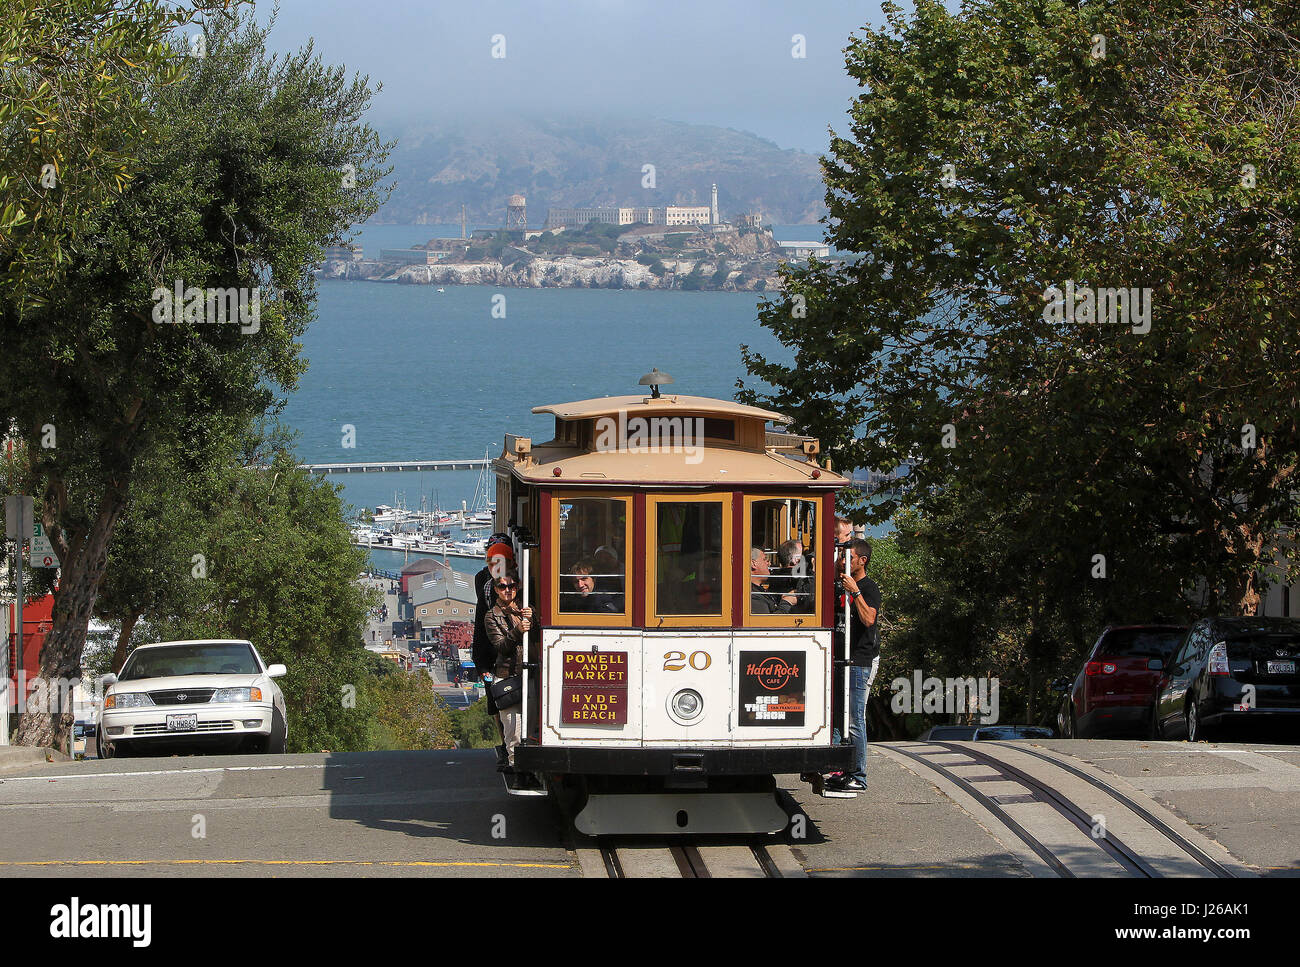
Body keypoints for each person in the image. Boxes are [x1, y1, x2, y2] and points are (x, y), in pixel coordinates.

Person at [827, 538, 881, 794]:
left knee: (854, 720)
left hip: (858, 661)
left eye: (847, 558)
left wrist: (855, 591)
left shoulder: (868, 588)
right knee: (837, 718)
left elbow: (869, 619)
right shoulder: (837, 586)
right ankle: (841, 770)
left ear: (862, 561)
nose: (841, 562)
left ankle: (858, 775)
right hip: (837, 658)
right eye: (839, 557)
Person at [484, 566, 533, 772]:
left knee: (531, 726)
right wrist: (518, 630)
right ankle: (516, 767)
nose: (507, 590)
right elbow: (501, 647)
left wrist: (534, 618)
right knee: (513, 728)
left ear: (518, 587)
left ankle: (530, 767)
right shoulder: (491, 617)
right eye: (502, 586)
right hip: (508, 677)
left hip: (531, 674)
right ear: (495, 589)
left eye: (511, 586)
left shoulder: (527, 609)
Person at [472, 533, 514, 767]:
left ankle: (511, 748)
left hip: (507, 651)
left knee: (509, 700)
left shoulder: (514, 580)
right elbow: (482, 619)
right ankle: (506, 747)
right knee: (495, 702)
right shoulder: (484, 580)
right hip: (490, 652)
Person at [750, 547, 798, 614]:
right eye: (764, 560)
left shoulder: (758, 590)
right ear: (753, 563)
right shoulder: (752, 595)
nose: (769, 564)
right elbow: (767, 622)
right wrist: (786, 602)